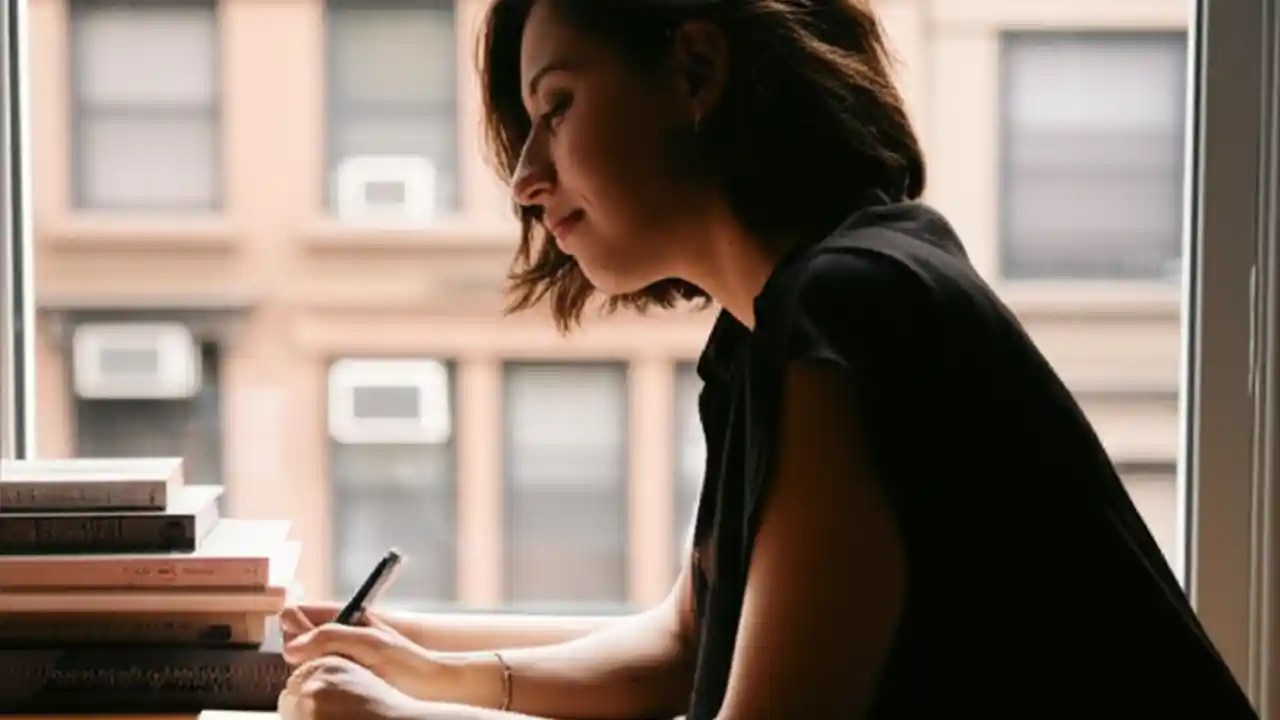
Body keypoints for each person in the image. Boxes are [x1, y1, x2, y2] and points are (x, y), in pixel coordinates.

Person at [276, 0, 1261, 718]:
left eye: (558, 106)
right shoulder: (781, 319)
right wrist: (405, 660)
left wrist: (400, 717)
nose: (528, 179)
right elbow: (686, 642)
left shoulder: (852, 309)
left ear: (695, 71)